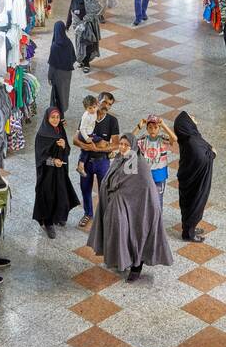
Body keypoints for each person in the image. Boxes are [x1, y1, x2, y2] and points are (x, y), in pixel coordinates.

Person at [86, 135, 174, 282]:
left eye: (126, 145)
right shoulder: (120, 159)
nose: (122, 147)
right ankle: (123, 259)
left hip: (136, 211)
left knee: (135, 236)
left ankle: (136, 266)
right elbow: (112, 178)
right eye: (120, 144)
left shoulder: (139, 164)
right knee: (119, 233)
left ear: (133, 147)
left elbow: (146, 188)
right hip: (118, 206)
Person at [33, 107, 80, 238]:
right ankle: (48, 223)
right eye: (52, 117)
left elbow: (68, 151)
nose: (55, 120)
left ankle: (59, 216)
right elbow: (40, 157)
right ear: (47, 118)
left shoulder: (60, 130)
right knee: (48, 197)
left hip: (60, 172)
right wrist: (53, 162)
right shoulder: (42, 135)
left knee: (61, 194)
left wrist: (64, 145)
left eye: (57, 117)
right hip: (47, 174)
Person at [75, 94, 118, 227]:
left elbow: (116, 144)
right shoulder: (87, 116)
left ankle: (103, 216)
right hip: (87, 161)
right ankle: (88, 214)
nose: (107, 106)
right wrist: (89, 146)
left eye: (110, 104)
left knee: (104, 190)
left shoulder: (112, 121)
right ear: (97, 101)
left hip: (103, 162)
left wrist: (100, 149)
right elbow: (75, 139)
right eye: (105, 102)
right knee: (85, 188)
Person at [174, 111, 214, 242]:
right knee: (194, 203)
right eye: (191, 117)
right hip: (194, 181)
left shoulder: (189, 137)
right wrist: (212, 154)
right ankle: (188, 234)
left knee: (189, 204)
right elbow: (201, 157)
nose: (194, 117)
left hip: (188, 177)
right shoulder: (192, 140)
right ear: (186, 124)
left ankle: (189, 228)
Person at [133, 115, 177, 207]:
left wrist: (164, 125)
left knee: (158, 199)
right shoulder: (143, 139)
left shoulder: (163, 138)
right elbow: (130, 140)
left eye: (156, 127)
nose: (153, 130)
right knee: (146, 199)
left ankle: (157, 220)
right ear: (147, 129)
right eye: (150, 127)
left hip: (159, 174)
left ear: (159, 129)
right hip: (146, 174)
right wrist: (139, 126)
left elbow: (174, 138)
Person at [66, 0, 101, 72]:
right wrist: (67, 24)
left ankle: (86, 63)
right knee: (79, 44)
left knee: (87, 44)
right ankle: (82, 61)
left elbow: (96, 9)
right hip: (77, 27)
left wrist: (86, 19)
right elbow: (71, 12)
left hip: (87, 27)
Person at [47, 20, 76, 116]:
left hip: (58, 74)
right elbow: (73, 58)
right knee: (65, 91)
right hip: (67, 73)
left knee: (56, 93)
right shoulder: (68, 42)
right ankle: (62, 109)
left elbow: (52, 64)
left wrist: (49, 76)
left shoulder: (55, 46)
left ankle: (57, 112)